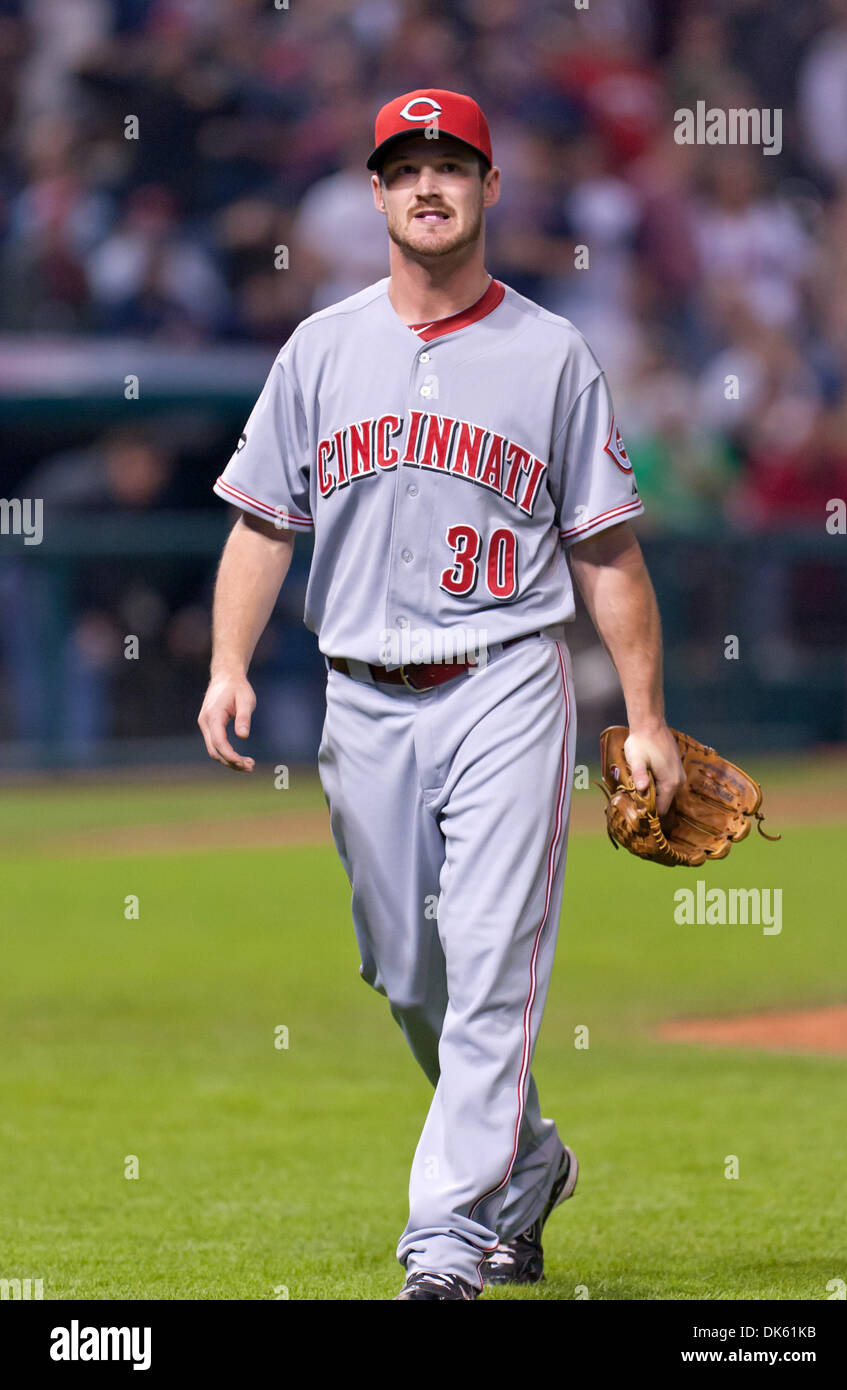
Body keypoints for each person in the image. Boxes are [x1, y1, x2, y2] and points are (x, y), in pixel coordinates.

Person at [198, 89, 685, 1301]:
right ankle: (525, 1162)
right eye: (405, 167)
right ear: (375, 194)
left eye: (451, 166)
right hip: (359, 696)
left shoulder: (551, 352)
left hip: (508, 682)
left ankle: (444, 1242)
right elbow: (262, 525)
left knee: (487, 956)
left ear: (488, 190)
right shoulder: (320, 347)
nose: (428, 185)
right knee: (405, 969)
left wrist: (648, 716)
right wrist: (223, 664)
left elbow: (607, 552)